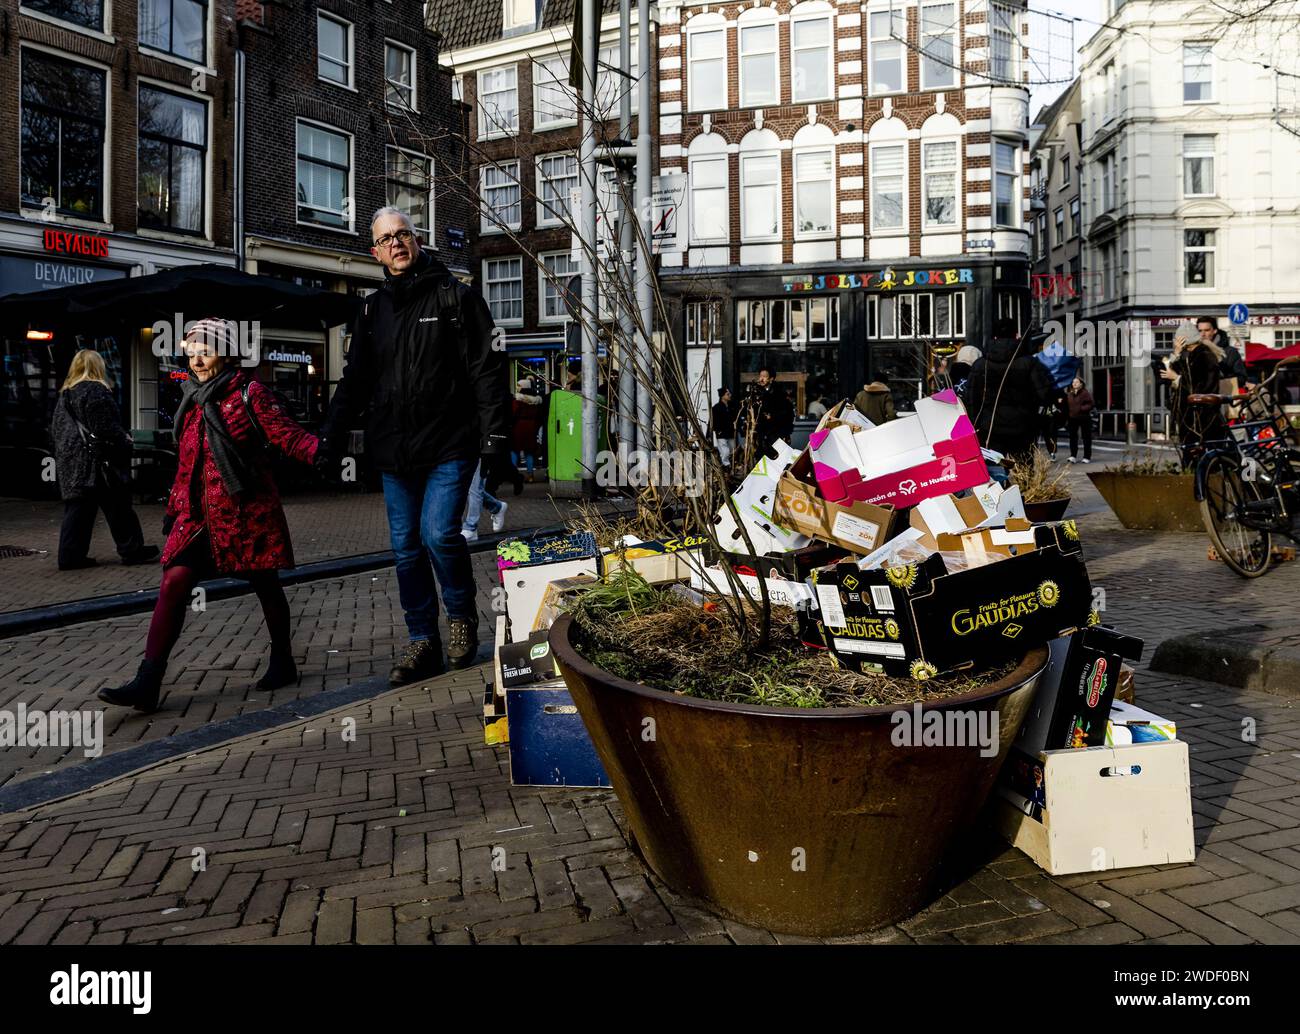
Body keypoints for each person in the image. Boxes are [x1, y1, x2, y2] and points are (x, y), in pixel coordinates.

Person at [319, 207, 511, 685]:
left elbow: (486, 372)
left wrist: (495, 439)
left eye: (403, 234)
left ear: (417, 239)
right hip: (394, 450)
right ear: (376, 252)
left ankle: (462, 617)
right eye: (386, 239)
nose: (396, 244)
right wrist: (330, 436)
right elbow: (356, 380)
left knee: (439, 535)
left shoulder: (456, 297)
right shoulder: (371, 309)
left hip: (449, 444)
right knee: (404, 549)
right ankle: (422, 639)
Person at [98, 320, 322, 712]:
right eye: (191, 352)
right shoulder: (191, 398)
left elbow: (287, 435)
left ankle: (283, 660)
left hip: (245, 512)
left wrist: (323, 451)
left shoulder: (251, 394)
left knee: (266, 584)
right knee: (175, 580)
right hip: (198, 517)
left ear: (228, 353)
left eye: (206, 350)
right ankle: (148, 681)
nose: (197, 360)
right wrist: (173, 509)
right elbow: (187, 462)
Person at [51, 349, 159, 571]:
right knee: (119, 506)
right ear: (97, 367)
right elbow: (105, 428)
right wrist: (125, 439)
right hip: (97, 463)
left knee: (78, 510)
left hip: (72, 463)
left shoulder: (66, 395)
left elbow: (57, 430)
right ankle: (132, 550)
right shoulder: (96, 391)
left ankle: (70, 556)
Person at [964, 322, 1059, 458]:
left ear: (994, 338)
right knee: (1023, 470)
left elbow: (971, 398)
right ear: (1016, 336)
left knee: (995, 470)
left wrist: (975, 424)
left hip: (990, 427)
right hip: (1023, 426)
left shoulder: (981, 365)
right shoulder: (1029, 363)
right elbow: (1044, 394)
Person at [1162, 319, 1225, 467]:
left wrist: (1177, 379)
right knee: (1193, 459)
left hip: (1201, 420)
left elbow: (1199, 387)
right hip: (1194, 419)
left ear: (1185, 340)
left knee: (1198, 461)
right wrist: (1175, 355)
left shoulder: (1203, 356)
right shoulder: (1191, 355)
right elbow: (1168, 373)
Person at [1197, 316, 1253, 391]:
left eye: (1206, 330)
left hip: (1224, 396)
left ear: (1215, 331)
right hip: (1198, 397)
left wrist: (1218, 361)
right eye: (1200, 331)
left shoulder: (1230, 352)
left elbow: (1241, 378)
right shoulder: (1193, 351)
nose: (1202, 334)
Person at [748, 367, 793, 457]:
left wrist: (772, 416)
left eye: (764, 376)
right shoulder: (756, 392)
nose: (761, 379)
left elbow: (786, 412)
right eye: (760, 376)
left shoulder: (779, 392)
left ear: (771, 379)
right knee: (761, 455)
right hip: (761, 430)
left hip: (776, 429)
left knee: (778, 454)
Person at [461, 463, 508, 542]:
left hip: (480, 454)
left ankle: (471, 528)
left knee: (474, 488)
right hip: (460, 453)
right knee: (465, 486)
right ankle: (496, 506)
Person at [510, 376, 543, 486]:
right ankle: (530, 475)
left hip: (518, 427)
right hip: (531, 427)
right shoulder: (536, 402)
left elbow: (513, 414)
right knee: (529, 452)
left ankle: (513, 475)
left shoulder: (517, 401)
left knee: (515, 451)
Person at [1064, 375, 1095, 464]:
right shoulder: (1069, 394)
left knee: (1086, 437)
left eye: (1076, 382)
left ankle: (1087, 457)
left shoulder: (1085, 393)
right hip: (1072, 418)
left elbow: (1091, 404)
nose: (1074, 384)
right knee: (1073, 437)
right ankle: (1073, 456)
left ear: (1081, 384)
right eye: (1073, 382)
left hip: (1084, 417)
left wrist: (1081, 409)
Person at [710, 387, 735, 466]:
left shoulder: (731, 406)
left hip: (730, 432)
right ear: (722, 396)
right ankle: (726, 465)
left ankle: (729, 465)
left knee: (732, 449)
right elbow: (712, 420)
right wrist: (717, 430)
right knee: (725, 451)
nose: (730, 395)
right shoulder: (716, 408)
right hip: (721, 433)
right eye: (727, 394)